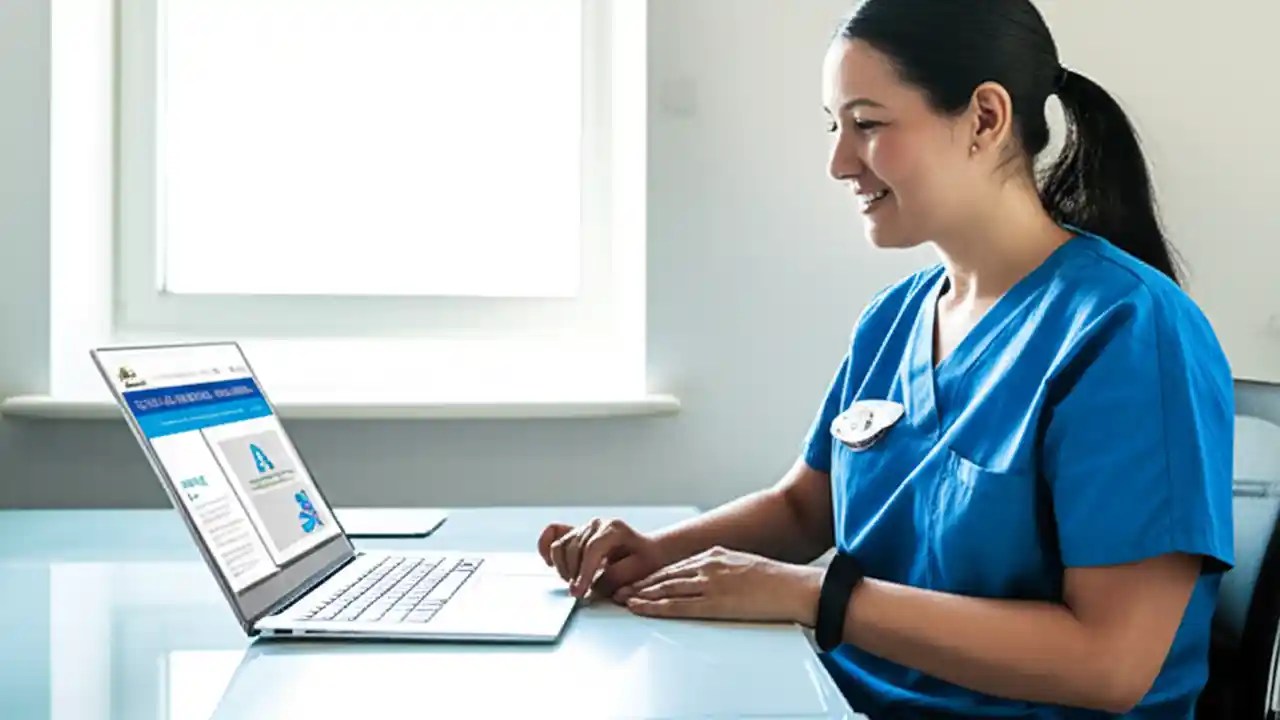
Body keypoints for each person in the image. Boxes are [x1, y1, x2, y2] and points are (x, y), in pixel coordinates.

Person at [536, 0, 1234, 716]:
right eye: (835, 126)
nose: (839, 162)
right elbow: (806, 507)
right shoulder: (896, 317)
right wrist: (658, 552)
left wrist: (815, 595)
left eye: (867, 124)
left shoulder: (1130, 333)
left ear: (985, 120)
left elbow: (1109, 664)